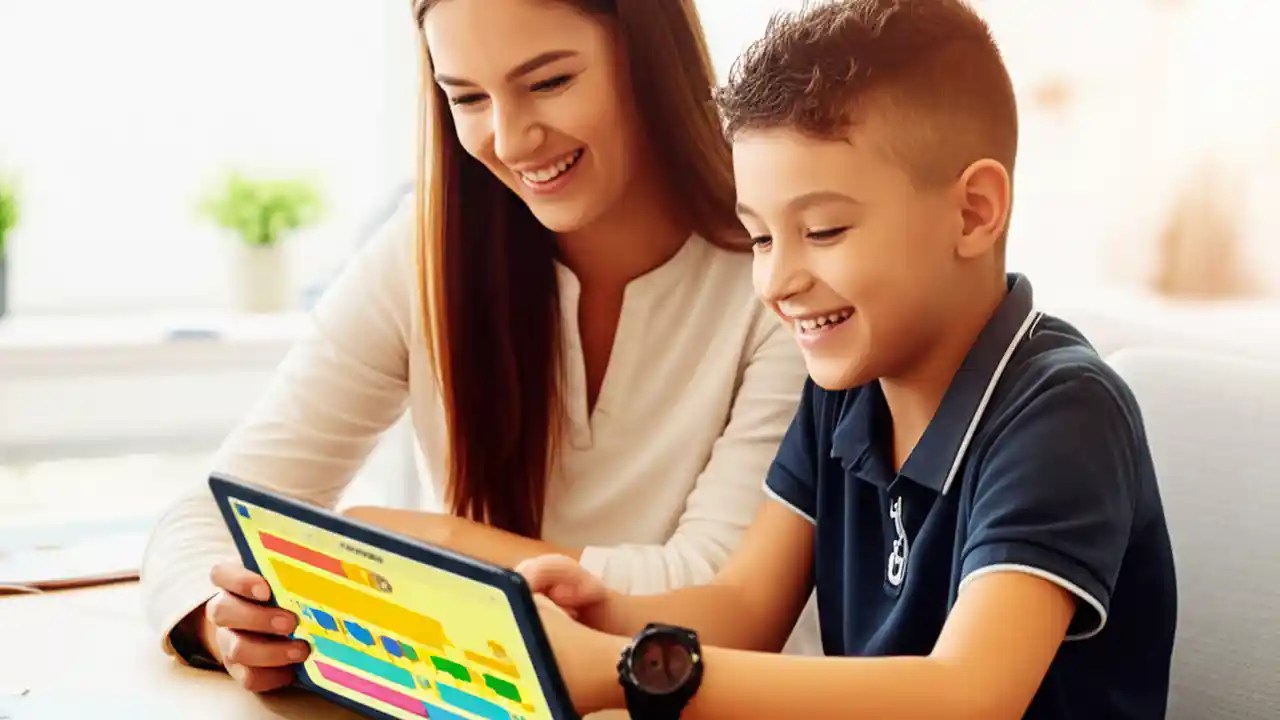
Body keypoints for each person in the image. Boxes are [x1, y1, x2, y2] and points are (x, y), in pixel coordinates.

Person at [518, 1, 1179, 718]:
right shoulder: (845, 389)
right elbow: (745, 607)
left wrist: (629, 673)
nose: (776, 283)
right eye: (762, 239)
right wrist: (607, 617)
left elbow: (966, 697)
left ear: (973, 213)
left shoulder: (1064, 415)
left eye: (823, 229)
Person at [139, 0, 818, 693]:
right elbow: (204, 517)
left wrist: (439, 544)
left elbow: (717, 590)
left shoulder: (785, 265)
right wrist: (223, 628)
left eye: (550, 82)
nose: (511, 139)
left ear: (651, 57)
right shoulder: (424, 255)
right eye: (466, 96)